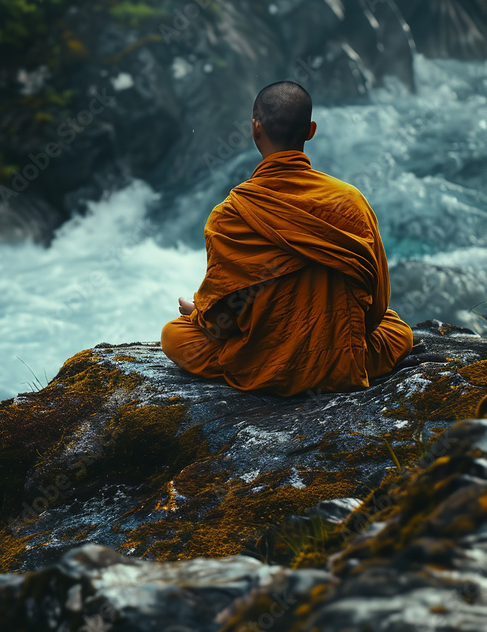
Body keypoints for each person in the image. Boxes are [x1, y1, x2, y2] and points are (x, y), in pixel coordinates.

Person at [160, 81, 412, 397]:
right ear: (310, 130)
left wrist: (197, 312)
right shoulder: (351, 202)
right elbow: (376, 309)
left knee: (174, 335)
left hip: (264, 366)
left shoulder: (231, 213)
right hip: (341, 363)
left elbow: (221, 325)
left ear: (255, 129)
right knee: (397, 329)